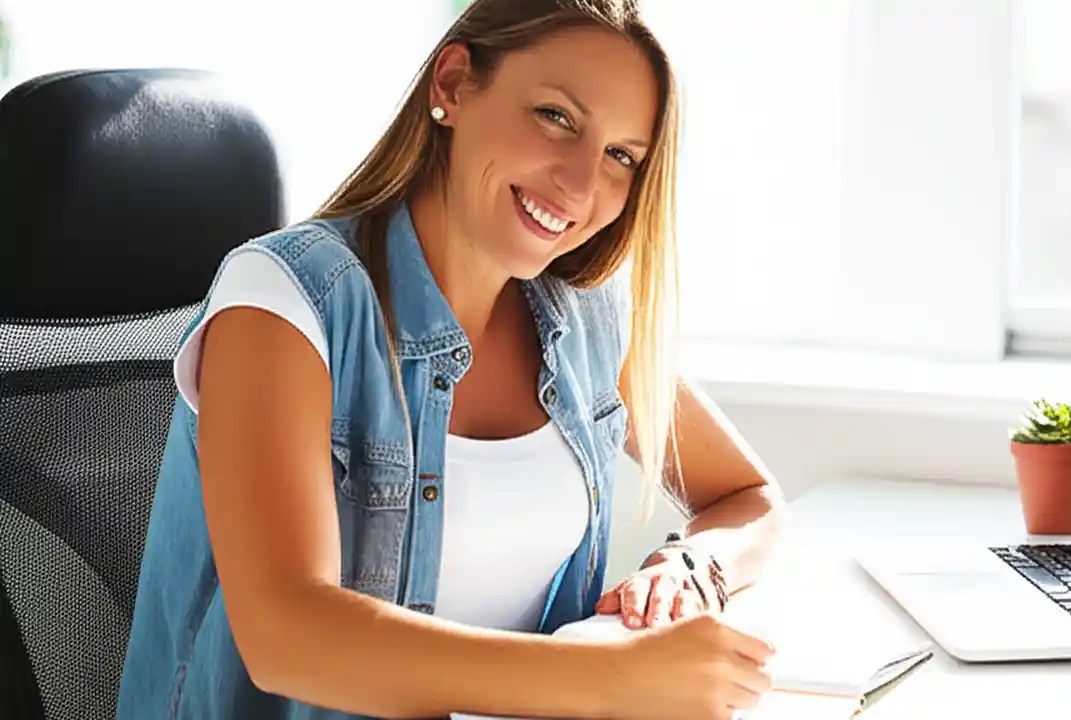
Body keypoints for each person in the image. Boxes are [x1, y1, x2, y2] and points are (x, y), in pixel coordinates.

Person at [117, 1, 786, 718]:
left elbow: (749, 499)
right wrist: (614, 679)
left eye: (622, 156)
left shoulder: (583, 319)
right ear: (454, 84)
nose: (582, 183)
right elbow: (287, 637)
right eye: (557, 118)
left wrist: (690, 567)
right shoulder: (284, 301)